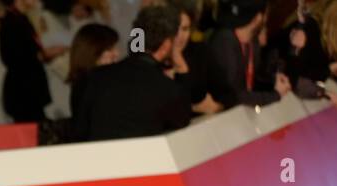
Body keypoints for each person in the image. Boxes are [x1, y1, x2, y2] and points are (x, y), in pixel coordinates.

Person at [74, 4, 192, 141]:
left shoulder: (96, 77)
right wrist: (182, 69)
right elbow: (183, 119)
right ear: (166, 45)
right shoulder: (166, 88)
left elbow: (80, 131)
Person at [207, 0, 293, 106]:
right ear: (258, 18)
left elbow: (254, 75)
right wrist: (275, 95)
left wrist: (274, 79)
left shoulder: (252, 39)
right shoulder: (225, 41)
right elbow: (233, 97)